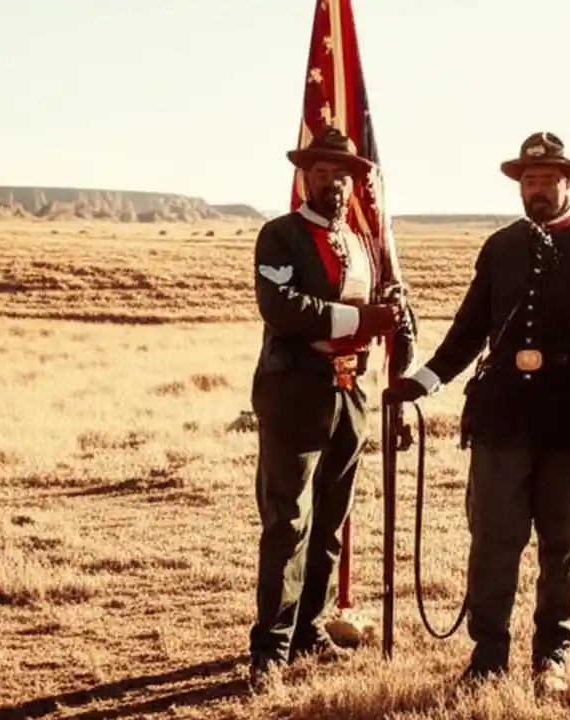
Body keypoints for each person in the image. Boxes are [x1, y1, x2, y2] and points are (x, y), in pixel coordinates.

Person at [385, 131, 570, 696]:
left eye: (548, 179)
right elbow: (471, 329)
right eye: (529, 180)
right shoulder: (500, 247)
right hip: (501, 418)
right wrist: (422, 381)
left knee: (564, 541)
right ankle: (489, 652)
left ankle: (553, 654)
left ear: (568, 183)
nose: (538, 189)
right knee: (494, 537)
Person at [247, 127, 416, 691]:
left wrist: (387, 315)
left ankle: (309, 628)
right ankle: (269, 644)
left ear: (354, 181)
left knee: (331, 521)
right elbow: (282, 307)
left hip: (351, 393)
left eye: (342, 174)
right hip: (295, 391)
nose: (332, 182)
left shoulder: (362, 242)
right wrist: (359, 321)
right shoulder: (281, 236)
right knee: (288, 522)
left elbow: (380, 307)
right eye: (321, 172)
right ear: (306, 177)